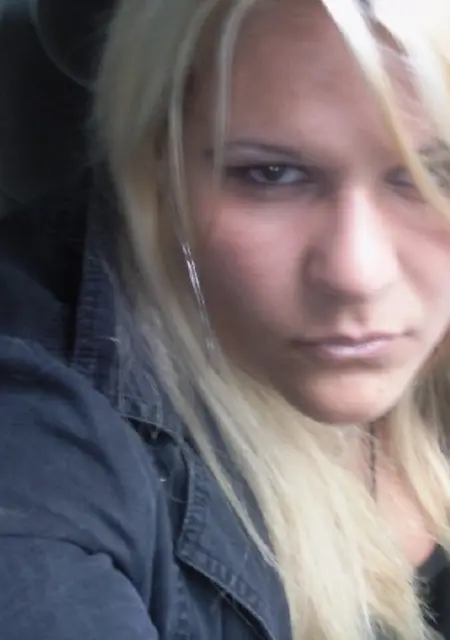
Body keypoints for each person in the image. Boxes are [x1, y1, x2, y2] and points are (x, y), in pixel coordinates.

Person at [1, 0, 450, 638]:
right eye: (271, 174)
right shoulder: (40, 438)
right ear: (161, 163)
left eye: (436, 173)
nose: (357, 274)